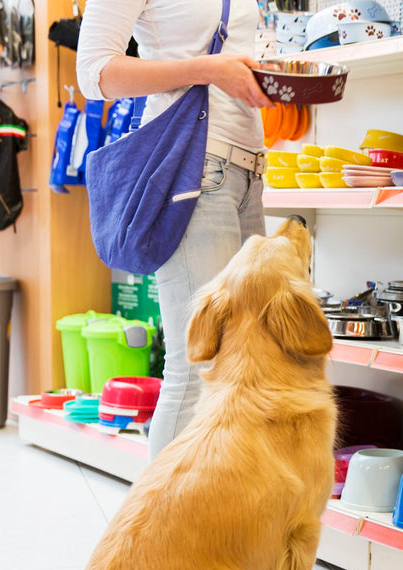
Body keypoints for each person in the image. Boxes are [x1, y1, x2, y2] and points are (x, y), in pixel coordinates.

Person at [77, 0, 274, 458]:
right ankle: (158, 527)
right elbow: (94, 72)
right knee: (197, 366)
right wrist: (206, 69)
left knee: (243, 365)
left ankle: (216, 520)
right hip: (195, 172)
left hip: (248, 172)